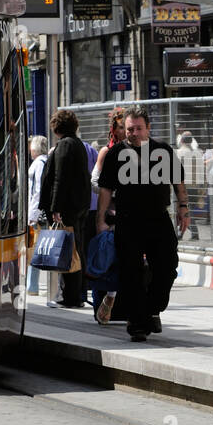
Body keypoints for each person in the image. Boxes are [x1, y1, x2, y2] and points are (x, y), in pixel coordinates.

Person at [96, 105, 189, 342]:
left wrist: (183, 209)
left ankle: (152, 307)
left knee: (167, 267)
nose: (133, 133)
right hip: (127, 221)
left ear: (148, 128)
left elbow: (178, 183)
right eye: (129, 129)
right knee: (131, 273)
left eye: (138, 128)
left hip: (158, 219)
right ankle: (137, 323)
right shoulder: (115, 154)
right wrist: (101, 221)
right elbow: (106, 189)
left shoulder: (163, 151)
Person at [40, 109, 92, 308]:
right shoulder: (78, 144)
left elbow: (59, 179)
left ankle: (68, 296)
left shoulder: (64, 145)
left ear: (56, 127)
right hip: (79, 206)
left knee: (66, 251)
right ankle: (77, 294)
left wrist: (55, 207)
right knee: (76, 250)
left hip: (67, 208)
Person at [91, 106, 127, 323]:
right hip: (111, 213)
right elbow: (94, 181)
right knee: (109, 259)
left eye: (128, 127)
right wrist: (112, 190)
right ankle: (108, 299)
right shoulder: (107, 151)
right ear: (114, 129)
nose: (125, 132)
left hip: (132, 213)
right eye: (121, 127)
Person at [25, 134, 49, 296]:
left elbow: (37, 191)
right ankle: (31, 285)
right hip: (40, 212)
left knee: (33, 250)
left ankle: (32, 286)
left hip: (36, 214)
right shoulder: (44, 162)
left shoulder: (38, 164)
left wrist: (32, 214)